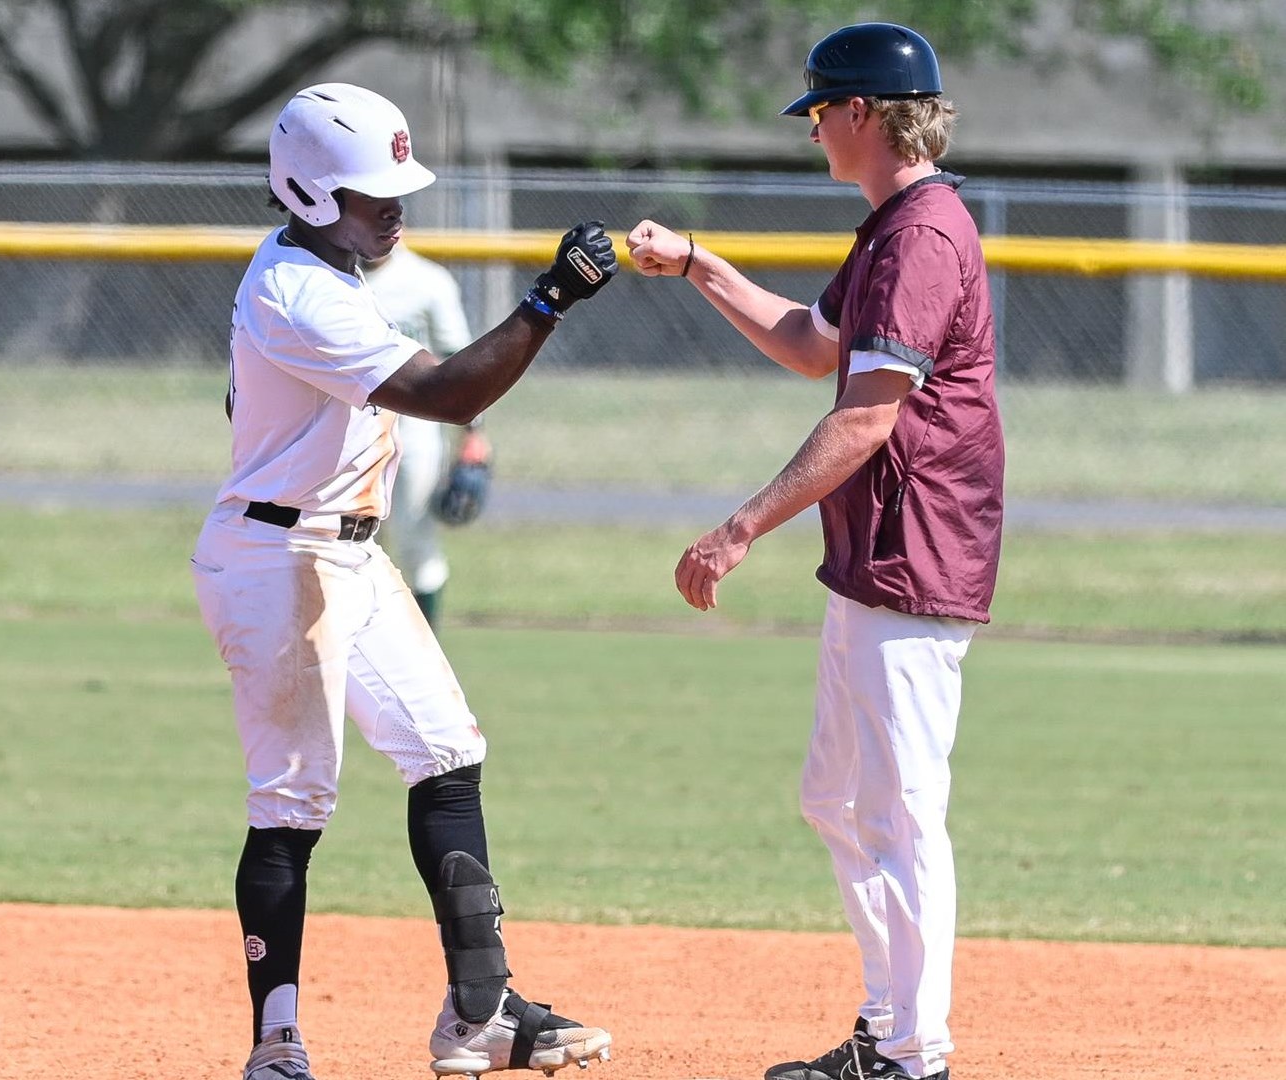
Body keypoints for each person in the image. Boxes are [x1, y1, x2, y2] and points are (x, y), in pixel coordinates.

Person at [192, 83, 619, 1080]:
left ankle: (482, 1011)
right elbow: (449, 392)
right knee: (293, 801)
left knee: (446, 751)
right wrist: (546, 298)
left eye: (396, 188)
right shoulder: (295, 289)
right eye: (369, 192)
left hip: (344, 550)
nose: (394, 207)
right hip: (276, 560)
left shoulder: (329, 274)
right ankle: (276, 1045)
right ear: (303, 192)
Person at [626, 23, 1000, 1080]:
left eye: (819, 111)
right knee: (835, 798)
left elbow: (865, 417)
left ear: (862, 116)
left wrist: (738, 526)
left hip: (914, 555)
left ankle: (912, 1050)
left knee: (896, 808)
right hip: (873, 559)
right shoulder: (890, 226)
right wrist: (698, 263)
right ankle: (888, 1029)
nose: (812, 131)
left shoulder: (921, 234)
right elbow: (812, 348)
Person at [361, 244, 487, 631]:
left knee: (416, 542)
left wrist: (474, 434)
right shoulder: (332, 275)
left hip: (415, 432)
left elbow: (458, 362)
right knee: (354, 547)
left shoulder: (428, 281)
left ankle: (425, 647)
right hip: (351, 434)